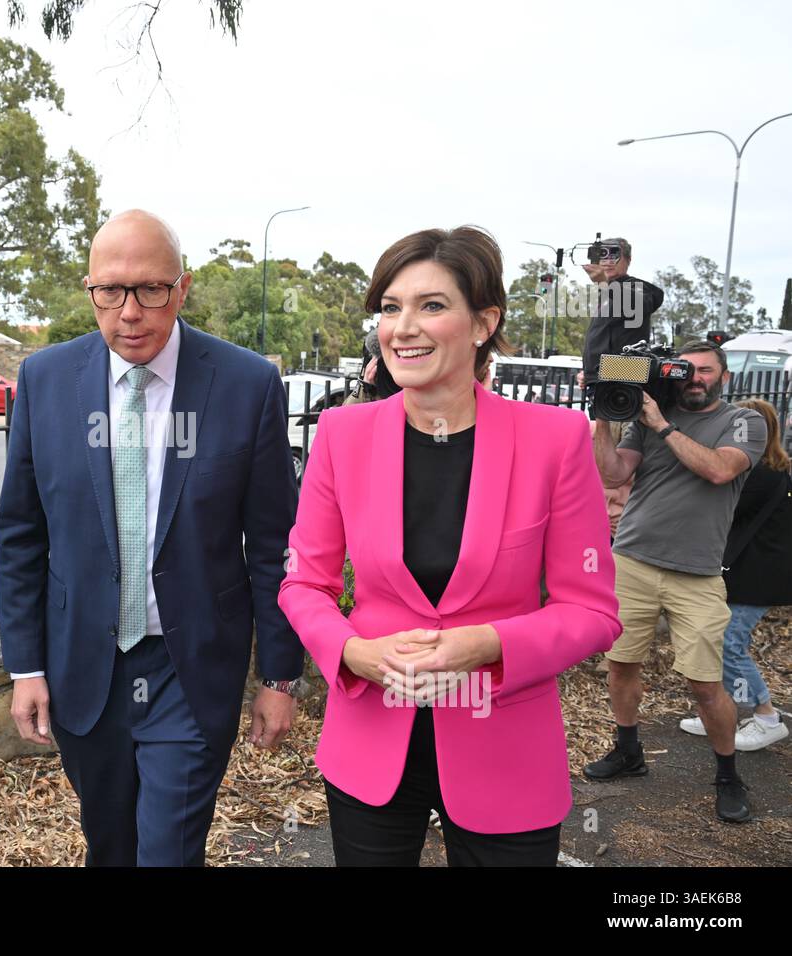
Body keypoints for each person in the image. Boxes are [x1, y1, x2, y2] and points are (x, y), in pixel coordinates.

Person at [279, 226, 622, 867]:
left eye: (431, 306)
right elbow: (304, 584)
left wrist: (489, 645)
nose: (403, 327)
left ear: (484, 322)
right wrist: (353, 651)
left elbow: (593, 613)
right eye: (390, 307)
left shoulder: (556, 440)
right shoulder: (341, 434)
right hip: (371, 741)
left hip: (507, 749)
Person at [0, 209, 302, 866]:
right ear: (91, 291)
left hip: (189, 669)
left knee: (167, 851)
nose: (129, 311)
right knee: (110, 846)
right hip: (85, 668)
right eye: (111, 290)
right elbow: (21, 535)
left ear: (182, 289)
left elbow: (273, 544)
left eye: (150, 289)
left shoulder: (247, 386)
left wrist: (280, 675)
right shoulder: (45, 381)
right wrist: (25, 665)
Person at [587, 340, 767, 823]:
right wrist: (604, 413)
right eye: (687, 370)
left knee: (706, 684)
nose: (695, 378)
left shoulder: (743, 422)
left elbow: (718, 469)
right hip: (633, 560)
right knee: (621, 665)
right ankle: (629, 752)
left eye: (706, 371)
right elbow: (612, 474)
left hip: (698, 573)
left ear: (724, 378)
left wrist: (661, 426)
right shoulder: (649, 416)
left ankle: (728, 775)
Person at [678, 398, 790, 750]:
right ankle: (723, 712)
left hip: (757, 577)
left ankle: (767, 717)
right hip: (748, 571)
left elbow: (712, 505)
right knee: (720, 642)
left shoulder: (760, 475)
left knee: (730, 644)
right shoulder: (765, 470)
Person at [578, 236, 664, 384]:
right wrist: (588, 374)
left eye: (615, 255)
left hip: (624, 386)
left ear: (628, 260)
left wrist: (596, 374)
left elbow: (637, 303)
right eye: (602, 255)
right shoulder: (604, 293)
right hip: (603, 385)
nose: (608, 261)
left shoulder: (639, 287)